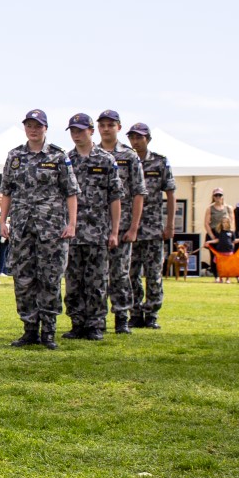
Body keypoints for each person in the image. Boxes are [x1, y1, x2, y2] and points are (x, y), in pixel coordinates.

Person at [0, 109, 78, 350]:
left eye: (37, 126)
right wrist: (3, 221)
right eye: (29, 125)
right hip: (22, 228)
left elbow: (71, 192)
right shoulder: (15, 156)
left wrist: (72, 223)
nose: (33, 129)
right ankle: (29, 329)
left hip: (52, 230)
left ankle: (49, 330)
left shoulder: (58, 156)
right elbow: (7, 191)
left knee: (50, 278)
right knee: (23, 279)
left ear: (45, 128)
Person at [62, 113, 121, 340]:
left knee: (97, 282)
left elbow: (115, 198)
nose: (77, 135)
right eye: (73, 131)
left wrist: (115, 231)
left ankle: (96, 324)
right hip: (73, 233)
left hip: (97, 232)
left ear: (91, 131)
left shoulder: (106, 160)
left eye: (81, 130)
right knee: (74, 282)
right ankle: (77, 323)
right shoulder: (66, 160)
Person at [96, 110, 145, 335]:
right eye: (102, 125)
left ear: (118, 127)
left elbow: (138, 193)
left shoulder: (129, 156)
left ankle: (122, 317)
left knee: (120, 273)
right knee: (97, 275)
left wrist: (134, 227)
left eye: (110, 125)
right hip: (95, 226)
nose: (106, 129)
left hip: (123, 226)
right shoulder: (91, 153)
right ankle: (98, 319)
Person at [126, 122, 176, 329]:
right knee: (131, 274)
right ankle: (135, 312)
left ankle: (152, 313)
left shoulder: (160, 162)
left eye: (140, 137)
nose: (136, 141)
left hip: (153, 227)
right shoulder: (125, 160)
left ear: (148, 139)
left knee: (154, 273)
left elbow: (171, 194)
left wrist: (170, 225)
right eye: (133, 137)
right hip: (130, 227)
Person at [206, 216, 239, 284]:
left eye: (226, 222)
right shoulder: (219, 232)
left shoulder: (231, 232)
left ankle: (228, 279)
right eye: (223, 222)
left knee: (228, 265)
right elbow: (217, 240)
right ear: (221, 223)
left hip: (229, 251)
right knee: (220, 265)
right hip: (220, 251)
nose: (224, 223)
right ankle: (220, 278)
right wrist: (209, 242)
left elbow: (234, 241)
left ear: (228, 223)